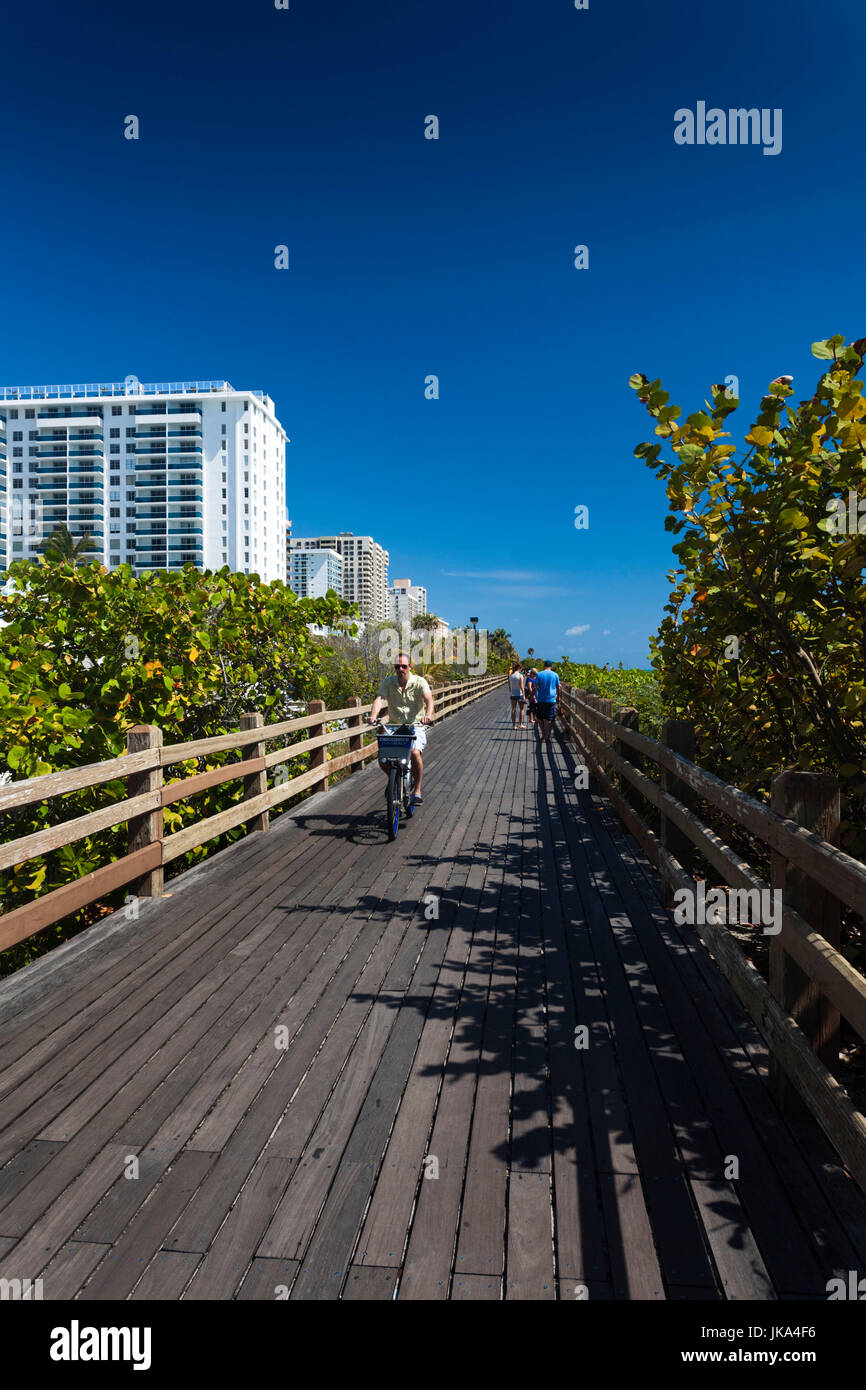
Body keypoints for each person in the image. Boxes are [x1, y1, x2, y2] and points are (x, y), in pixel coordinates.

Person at [366, 652, 434, 803]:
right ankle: (394, 780)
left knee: (415, 753)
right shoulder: (389, 682)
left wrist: (428, 715)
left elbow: (429, 699)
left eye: (404, 666)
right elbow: (379, 698)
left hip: (415, 725)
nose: (401, 669)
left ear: (410, 667)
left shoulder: (419, 682)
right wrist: (373, 715)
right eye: (397, 667)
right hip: (394, 725)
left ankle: (417, 791)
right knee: (383, 757)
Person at [534, 660, 560, 743]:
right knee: (550, 719)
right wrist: (558, 697)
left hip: (541, 699)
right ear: (551, 666)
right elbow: (558, 687)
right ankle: (547, 736)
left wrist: (532, 696)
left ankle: (543, 733)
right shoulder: (555, 674)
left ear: (544, 666)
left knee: (540, 718)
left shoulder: (539, 674)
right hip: (551, 699)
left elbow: (535, 687)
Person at [508, 661, 525, 729]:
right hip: (520, 694)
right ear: (519, 668)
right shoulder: (520, 676)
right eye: (521, 668)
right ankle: (520, 724)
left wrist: (511, 691)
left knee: (513, 709)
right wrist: (524, 695)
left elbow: (509, 686)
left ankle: (514, 725)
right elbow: (521, 686)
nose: (521, 669)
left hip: (513, 694)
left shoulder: (511, 676)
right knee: (521, 709)